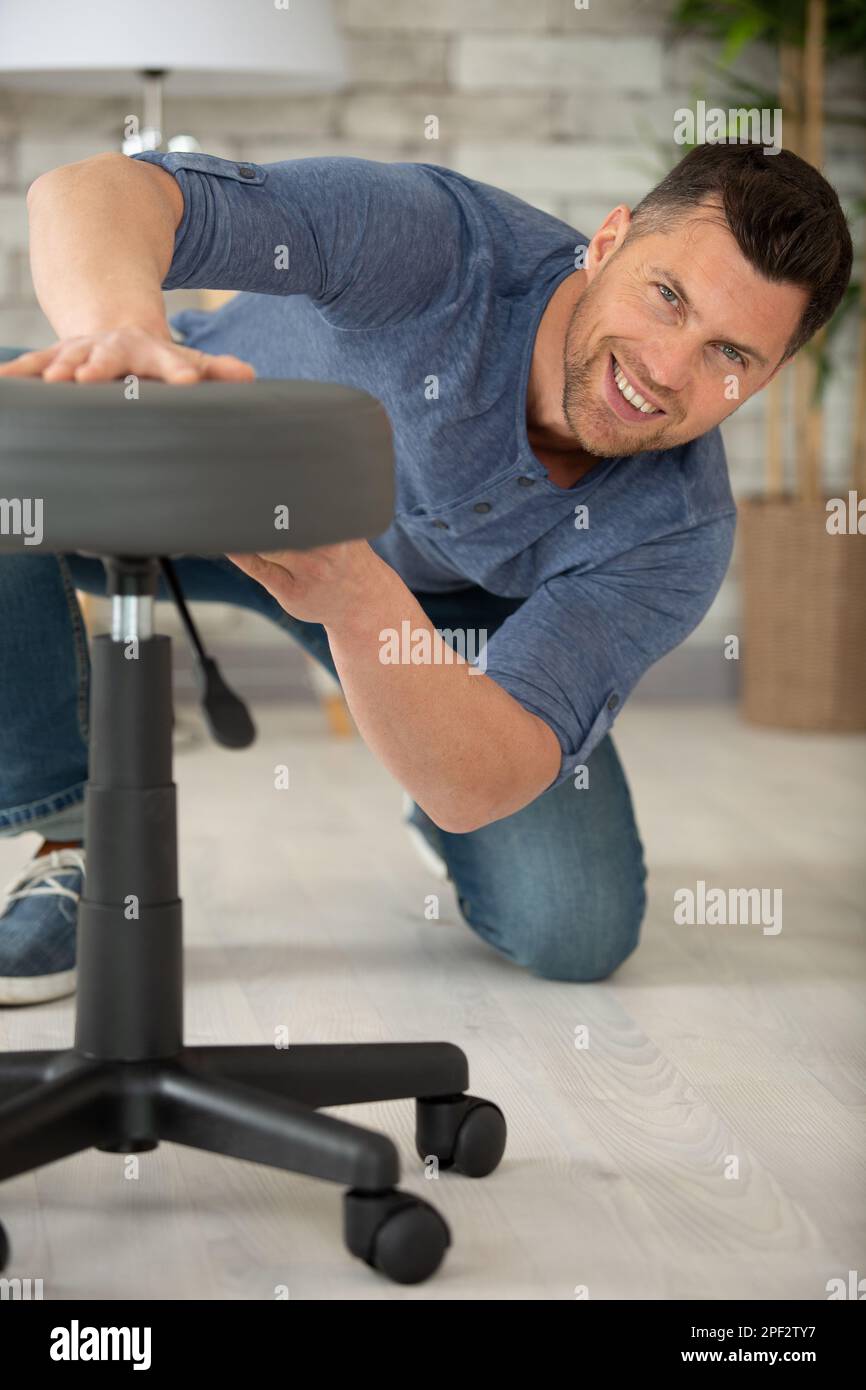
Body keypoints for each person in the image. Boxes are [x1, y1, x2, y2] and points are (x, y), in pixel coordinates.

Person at [0, 141, 852, 1004]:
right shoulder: (436, 245)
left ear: (769, 377)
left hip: (422, 619)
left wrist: (361, 601)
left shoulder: (677, 529)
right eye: (667, 297)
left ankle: (411, 731)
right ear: (608, 242)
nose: (666, 371)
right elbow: (90, 188)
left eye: (729, 356)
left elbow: (485, 776)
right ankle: (68, 841)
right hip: (202, 478)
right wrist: (125, 336)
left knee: (574, 926)